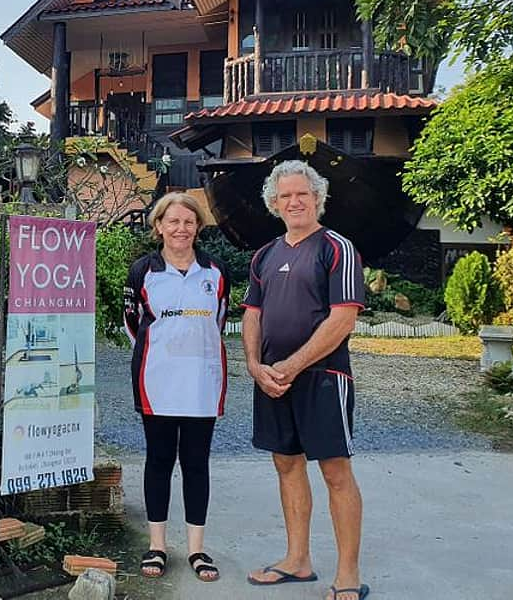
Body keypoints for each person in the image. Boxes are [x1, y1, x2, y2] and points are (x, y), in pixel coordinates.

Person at [242, 161, 369, 600]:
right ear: (273, 204)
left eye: (302, 194)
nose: (294, 202)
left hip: (322, 378)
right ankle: (297, 560)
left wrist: (291, 366)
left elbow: (343, 319)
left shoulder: (337, 248)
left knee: (336, 472)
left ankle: (348, 575)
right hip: (272, 379)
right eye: (285, 196)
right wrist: (255, 367)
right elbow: (252, 316)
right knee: (287, 465)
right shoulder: (264, 255)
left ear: (318, 198)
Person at [123, 192, 230, 583]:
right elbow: (134, 323)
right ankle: (157, 546)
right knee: (159, 461)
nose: (181, 229)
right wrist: (165, 351)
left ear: (198, 227)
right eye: (173, 222)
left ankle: (197, 549)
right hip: (157, 381)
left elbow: (217, 321)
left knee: (197, 464)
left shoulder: (215, 272)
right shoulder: (142, 271)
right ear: (159, 227)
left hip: (202, 382)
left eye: (188, 222)